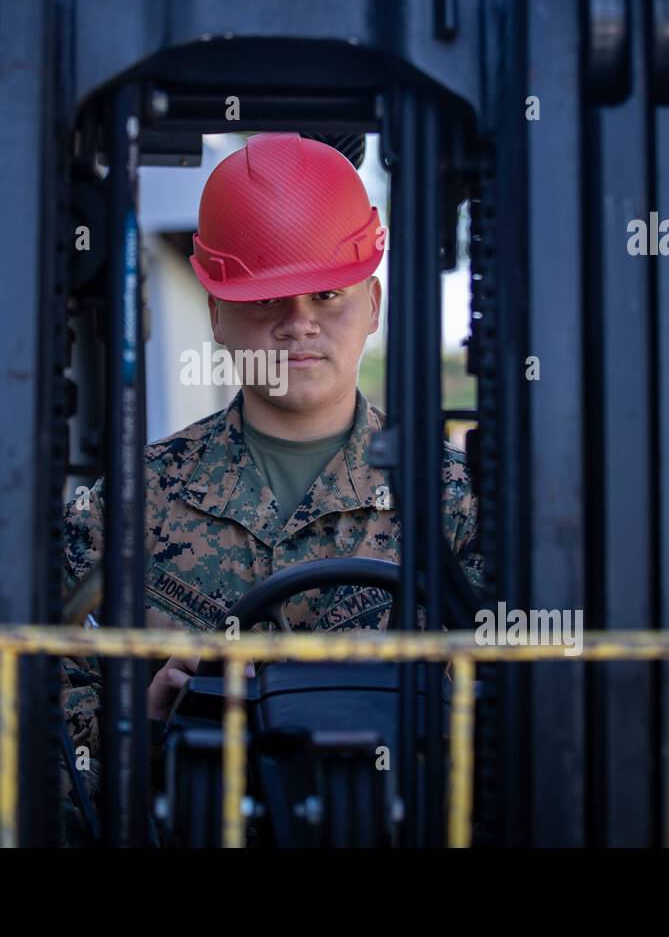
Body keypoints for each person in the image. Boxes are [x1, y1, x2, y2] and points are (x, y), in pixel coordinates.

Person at [58, 132, 482, 843]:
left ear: (373, 304)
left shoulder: (455, 504)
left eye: (326, 294)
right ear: (219, 314)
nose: (300, 324)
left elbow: (525, 723)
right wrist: (144, 722)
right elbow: (40, 713)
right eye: (266, 299)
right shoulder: (129, 506)